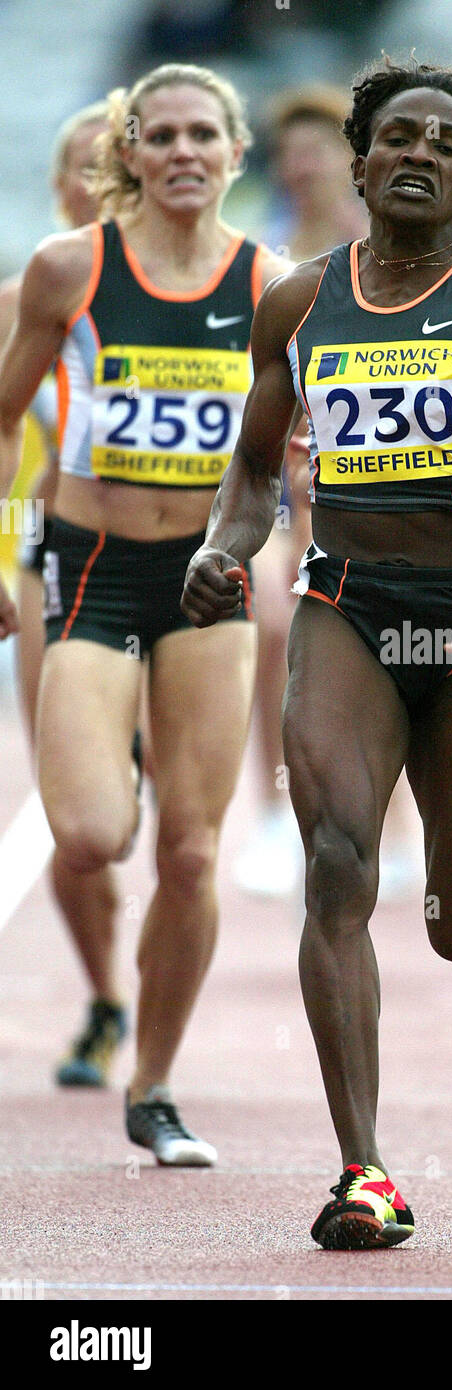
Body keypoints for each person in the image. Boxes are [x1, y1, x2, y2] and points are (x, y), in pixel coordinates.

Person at [182, 58, 452, 1248]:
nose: (419, 154)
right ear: (363, 163)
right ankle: (363, 1173)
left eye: (445, 143)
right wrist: (225, 549)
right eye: (398, 138)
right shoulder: (296, 303)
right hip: (345, 607)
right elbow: (252, 465)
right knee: (335, 862)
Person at [0, 63, 287, 1162]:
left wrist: (266, 545)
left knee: (193, 853)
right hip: (94, 564)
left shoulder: (276, 286)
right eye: (158, 134)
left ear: (233, 152)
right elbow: (3, 411)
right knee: (89, 832)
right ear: (127, 154)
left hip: (207, 580)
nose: (180, 151)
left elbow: (285, 454)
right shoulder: (70, 267)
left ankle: (155, 1082)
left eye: (199, 134)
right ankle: (115, 988)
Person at [0, 103, 135, 1088]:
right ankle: (104, 998)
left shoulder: (222, 292)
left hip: (179, 568)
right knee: (79, 818)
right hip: (52, 559)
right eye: (86, 168)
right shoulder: (19, 306)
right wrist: (5, 555)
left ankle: (163, 1022)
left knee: (181, 827)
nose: (105, 183)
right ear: (59, 188)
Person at [232, 86, 366, 900]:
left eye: (321, 149)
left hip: (371, 482)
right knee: (276, 623)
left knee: (388, 637)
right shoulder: (262, 260)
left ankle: (390, 819)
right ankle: (275, 814)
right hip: (283, 481)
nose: (304, 164)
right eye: (294, 151)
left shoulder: (384, 254)